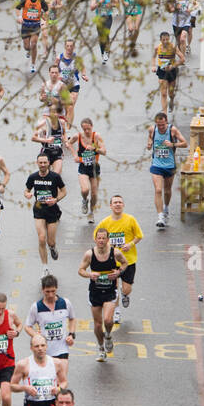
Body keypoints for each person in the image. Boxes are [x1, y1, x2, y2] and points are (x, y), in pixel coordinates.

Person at [92, 195, 143, 326]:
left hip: (128, 260)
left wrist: (130, 244)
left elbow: (139, 236)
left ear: (123, 205)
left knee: (126, 289)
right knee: (113, 288)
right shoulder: (105, 222)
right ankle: (116, 311)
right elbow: (96, 237)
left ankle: (125, 294)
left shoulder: (130, 219)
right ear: (111, 206)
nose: (118, 204)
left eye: (120, 202)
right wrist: (106, 247)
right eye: (115, 202)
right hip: (111, 261)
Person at [78, 228, 128, 361]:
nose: (101, 241)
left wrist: (118, 272)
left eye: (103, 238)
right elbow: (81, 270)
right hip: (95, 292)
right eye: (99, 238)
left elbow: (125, 263)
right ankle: (101, 348)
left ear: (107, 240)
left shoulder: (115, 252)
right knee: (98, 325)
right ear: (95, 239)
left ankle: (108, 336)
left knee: (108, 320)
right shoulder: (89, 254)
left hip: (110, 291)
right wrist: (90, 274)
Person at [24, 275, 76, 378]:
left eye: (53, 291)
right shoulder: (36, 307)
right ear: (42, 290)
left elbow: (72, 318)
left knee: (61, 380)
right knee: (48, 381)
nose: (51, 295)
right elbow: (27, 326)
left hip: (62, 349)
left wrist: (71, 334)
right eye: (47, 292)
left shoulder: (65, 303)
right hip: (45, 352)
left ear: (57, 288)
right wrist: (37, 336)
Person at [24, 153, 65, 277]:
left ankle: (52, 247)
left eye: (44, 162)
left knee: (50, 242)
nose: (42, 165)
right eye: (40, 162)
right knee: (41, 238)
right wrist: (27, 194)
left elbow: (64, 191)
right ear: (37, 163)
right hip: (39, 210)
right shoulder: (33, 177)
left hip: (52, 210)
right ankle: (45, 267)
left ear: (49, 163)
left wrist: (56, 199)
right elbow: (26, 190)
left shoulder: (55, 177)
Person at [147, 112, 186, 229]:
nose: (161, 127)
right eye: (158, 125)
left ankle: (166, 208)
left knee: (167, 191)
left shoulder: (172, 130)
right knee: (158, 190)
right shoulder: (152, 129)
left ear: (166, 122)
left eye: (163, 125)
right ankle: (160, 217)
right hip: (157, 165)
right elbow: (150, 137)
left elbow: (185, 143)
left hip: (169, 166)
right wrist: (149, 143)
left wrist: (173, 144)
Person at [68, 117, 106, 221]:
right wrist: (74, 155)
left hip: (94, 168)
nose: (87, 131)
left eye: (88, 129)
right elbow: (68, 143)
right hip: (83, 167)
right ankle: (84, 200)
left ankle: (91, 213)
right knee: (85, 190)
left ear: (92, 127)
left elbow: (104, 151)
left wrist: (95, 148)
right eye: (84, 129)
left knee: (94, 194)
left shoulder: (96, 136)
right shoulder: (78, 136)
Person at [15, 0, 49, 72]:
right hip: (26, 25)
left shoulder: (41, 0)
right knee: (27, 46)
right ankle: (28, 50)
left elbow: (46, 10)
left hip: (35, 25)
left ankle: (33, 65)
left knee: (33, 44)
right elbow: (17, 8)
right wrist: (19, 17)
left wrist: (44, 17)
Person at [54, 39, 86, 124]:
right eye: (67, 46)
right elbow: (54, 68)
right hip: (63, 85)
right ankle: (63, 123)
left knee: (70, 107)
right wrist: (56, 77)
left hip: (74, 85)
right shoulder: (59, 58)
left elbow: (82, 67)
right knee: (66, 107)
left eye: (71, 46)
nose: (69, 48)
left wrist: (83, 75)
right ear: (65, 46)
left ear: (74, 47)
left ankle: (67, 128)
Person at [32, 103, 68, 176]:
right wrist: (46, 140)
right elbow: (33, 138)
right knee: (45, 176)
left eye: (57, 112)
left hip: (58, 152)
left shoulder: (62, 122)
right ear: (49, 113)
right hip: (46, 153)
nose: (55, 114)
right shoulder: (44, 123)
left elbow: (64, 133)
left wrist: (66, 142)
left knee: (56, 175)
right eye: (53, 112)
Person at [153, 30, 183, 112]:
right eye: (163, 40)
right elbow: (153, 57)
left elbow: (182, 59)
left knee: (171, 93)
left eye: (167, 39)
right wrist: (153, 66)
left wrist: (172, 66)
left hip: (171, 71)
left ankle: (172, 100)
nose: (165, 41)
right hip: (162, 71)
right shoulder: (157, 48)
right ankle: (165, 114)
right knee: (163, 94)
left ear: (169, 39)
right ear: (160, 40)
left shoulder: (173, 47)